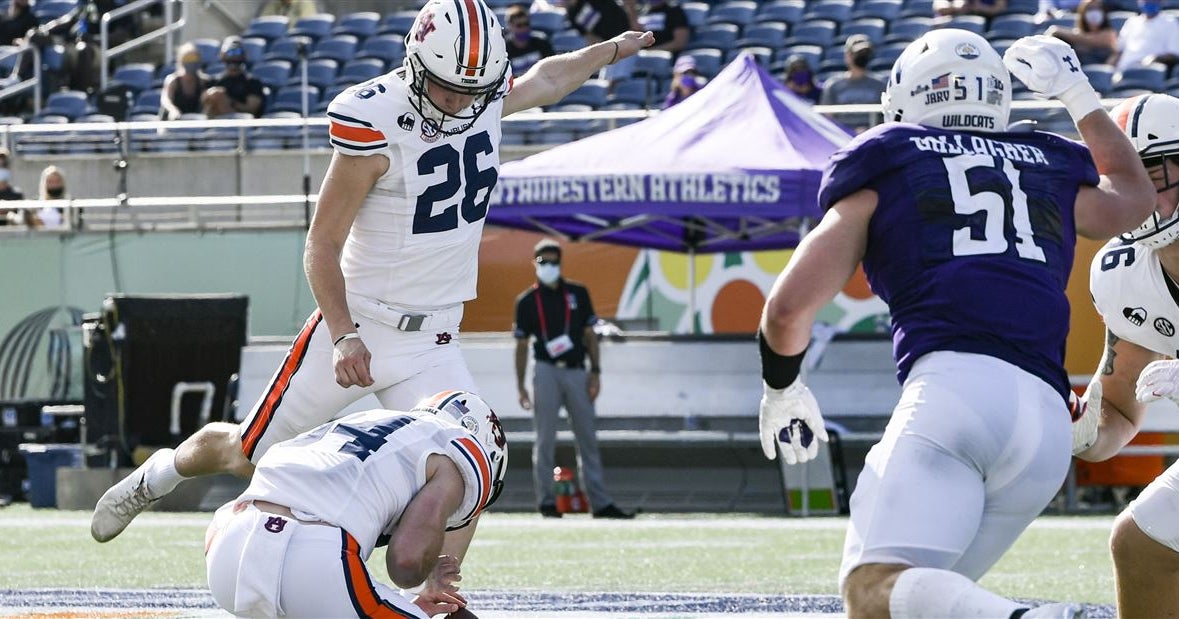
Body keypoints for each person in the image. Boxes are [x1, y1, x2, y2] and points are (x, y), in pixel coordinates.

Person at [91, 0, 652, 561]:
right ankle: (157, 475)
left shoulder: (479, 94)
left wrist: (611, 49)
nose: (459, 102)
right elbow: (322, 244)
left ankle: (441, 591)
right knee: (246, 452)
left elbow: (548, 77)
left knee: (474, 455)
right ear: (415, 63)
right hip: (360, 323)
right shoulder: (378, 119)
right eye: (446, 87)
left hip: (432, 339)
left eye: (470, 90)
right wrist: (342, 335)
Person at [756, 29, 1153, 619]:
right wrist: (1077, 93)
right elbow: (1133, 198)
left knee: (871, 591)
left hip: (955, 396)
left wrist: (781, 385)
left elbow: (788, 310)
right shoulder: (1047, 161)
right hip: (1047, 425)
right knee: (913, 605)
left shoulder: (890, 157)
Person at [205, 390, 507, 618]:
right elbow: (406, 563)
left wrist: (405, 606)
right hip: (310, 560)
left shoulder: (369, 420)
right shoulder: (458, 451)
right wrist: (425, 572)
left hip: (227, 541)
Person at [1072, 93, 1179, 619]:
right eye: (1119, 177)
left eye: (1151, 172)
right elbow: (1118, 407)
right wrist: (1082, 429)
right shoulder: (1123, 275)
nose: (1133, 193)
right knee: (1142, 542)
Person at [513, 239, 634, 519]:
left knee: (587, 437)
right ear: (535, 264)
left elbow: (590, 335)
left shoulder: (578, 293)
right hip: (545, 370)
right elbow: (521, 346)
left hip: (577, 370)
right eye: (544, 262)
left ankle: (600, 502)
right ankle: (546, 501)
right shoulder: (527, 301)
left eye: (555, 262)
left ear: (561, 263)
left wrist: (596, 371)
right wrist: (520, 385)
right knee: (544, 439)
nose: (550, 267)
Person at [564, 0, 640, 82]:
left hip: (625, 38)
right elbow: (590, 37)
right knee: (606, 83)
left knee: (618, 82)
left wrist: (633, 19)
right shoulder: (572, 14)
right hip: (609, 47)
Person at [202, 36, 265, 118]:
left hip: (242, 125)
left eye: (237, 52)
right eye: (230, 52)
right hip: (215, 124)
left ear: (244, 55)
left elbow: (251, 110)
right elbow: (204, 104)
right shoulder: (213, 82)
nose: (234, 56)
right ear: (222, 55)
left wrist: (228, 102)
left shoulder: (253, 82)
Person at [1110, 0, 1179, 73]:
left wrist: (1154, 59)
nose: (1149, 2)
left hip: (1149, 72)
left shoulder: (1170, 23)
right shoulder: (1131, 22)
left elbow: (1173, 54)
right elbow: (1119, 51)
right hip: (1123, 71)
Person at [1045, 0, 1117, 66]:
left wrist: (1058, 30)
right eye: (1090, 9)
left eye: (1098, 9)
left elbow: (1090, 39)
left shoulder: (1109, 34)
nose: (1094, 13)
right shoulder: (1075, 34)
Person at [159, 42, 209, 120]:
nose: (191, 62)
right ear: (181, 60)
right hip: (174, 120)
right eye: (188, 58)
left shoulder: (203, 81)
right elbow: (165, 100)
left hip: (196, 121)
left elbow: (206, 103)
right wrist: (173, 110)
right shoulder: (173, 80)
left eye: (194, 58)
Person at [505, 4, 555, 77]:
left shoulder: (541, 42)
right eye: (519, 25)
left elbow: (552, 67)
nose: (524, 28)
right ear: (510, 27)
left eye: (526, 24)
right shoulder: (505, 50)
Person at [934, 0, 1008, 17]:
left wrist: (981, 8)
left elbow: (1000, 8)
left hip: (987, 20)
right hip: (960, 18)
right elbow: (940, 8)